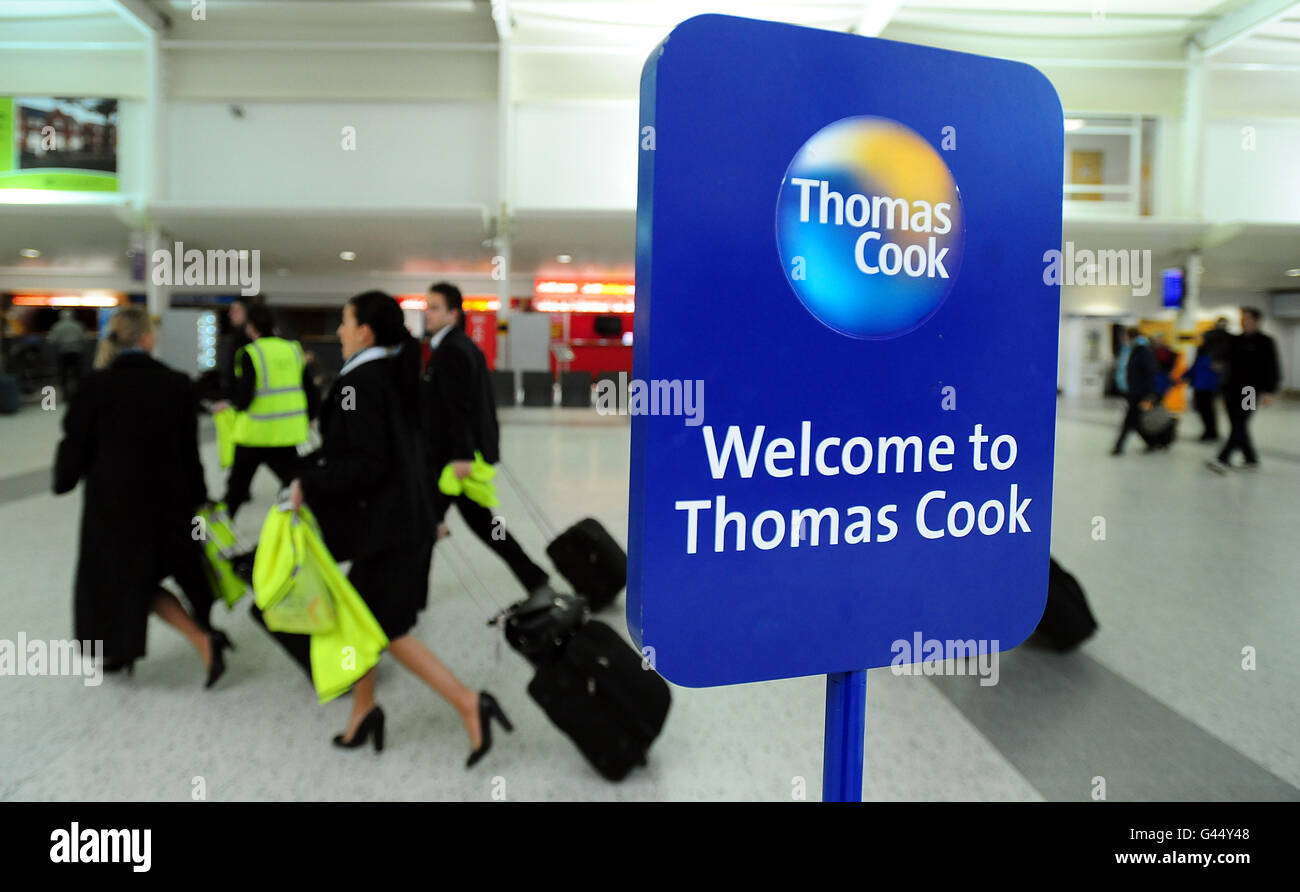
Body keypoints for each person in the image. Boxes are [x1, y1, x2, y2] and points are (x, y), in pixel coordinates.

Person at [287, 290, 511, 766]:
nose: (340, 332)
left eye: (345, 323)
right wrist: (309, 470)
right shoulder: (385, 373)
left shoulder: (362, 382)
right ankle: (365, 711)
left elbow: (366, 462)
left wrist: (310, 479)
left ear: (364, 330)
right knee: (362, 619)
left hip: (387, 526)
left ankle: (470, 703)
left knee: (386, 628)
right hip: (397, 519)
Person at [52, 306, 233, 685]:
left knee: (117, 580)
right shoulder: (177, 384)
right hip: (171, 503)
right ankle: (204, 636)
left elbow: (75, 444)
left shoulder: (95, 386)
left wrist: (64, 479)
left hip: (115, 506)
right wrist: (200, 498)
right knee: (174, 573)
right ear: (148, 340)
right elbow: (189, 452)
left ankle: (121, 652)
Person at [421, 281, 552, 596]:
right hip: (453, 454)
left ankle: (411, 596)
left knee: (433, 522)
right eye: (427, 307)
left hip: (452, 458)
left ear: (453, 314)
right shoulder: (458, 346)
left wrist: (463, 453)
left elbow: (460, 406)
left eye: (435, 307)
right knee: (472, 523)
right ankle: (533, 577)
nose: (428, 314)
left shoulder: (451, 350)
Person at [213, 303, 319, 518]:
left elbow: (244, 398)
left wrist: (230, 404)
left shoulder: (251, 353)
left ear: (251, 328)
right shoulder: (294, 350)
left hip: (254, 435)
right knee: (296, 483)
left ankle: (213, 540)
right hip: (286, 435)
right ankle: (309, 532)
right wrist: (311, 416)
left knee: (236, 491)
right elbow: (311, 389)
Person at [1207, 307, 1280, 473]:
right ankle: (1250, 458)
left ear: (1256, 321)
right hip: (1231, 388)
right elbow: (1223, 358)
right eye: (1242, 318)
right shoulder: (1235, 341)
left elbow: (1273, 367)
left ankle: (1223, 458)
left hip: (1251, 390)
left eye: (1247, 318)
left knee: (1240, 423)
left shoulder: (1265, 342)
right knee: (1237, 424)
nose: (1243, 321)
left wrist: (1270, 390)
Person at [1111, 327, 1159, 455]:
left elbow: (1150, 372)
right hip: (1132, 390)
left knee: (1129, 419)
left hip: (1140, 392)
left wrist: (1149, 393)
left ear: (1130, 336)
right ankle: (1152, 442)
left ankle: (1118, 447)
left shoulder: (1143, 350)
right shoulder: (1131, 350)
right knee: (1135, 420)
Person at [1181, 326, 1225, 440]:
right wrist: (1186, 375)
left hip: (1209, 385)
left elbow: (1218, 369)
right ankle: (1209, 431)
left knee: (1208, 409)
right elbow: (1196, 366)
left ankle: (1211, 431)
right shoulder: (1201, 350)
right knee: (1202, 409)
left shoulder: (1216, 352)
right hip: (1200, 384)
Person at [47, 309, 88, 398]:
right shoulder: (77, 325)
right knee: (78, 375)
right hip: (76, 352)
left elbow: (52, 340)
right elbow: (84, 338)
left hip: (63, 353)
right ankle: (79, 394)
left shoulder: (57, 326)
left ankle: (65, 395)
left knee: (63, 376)